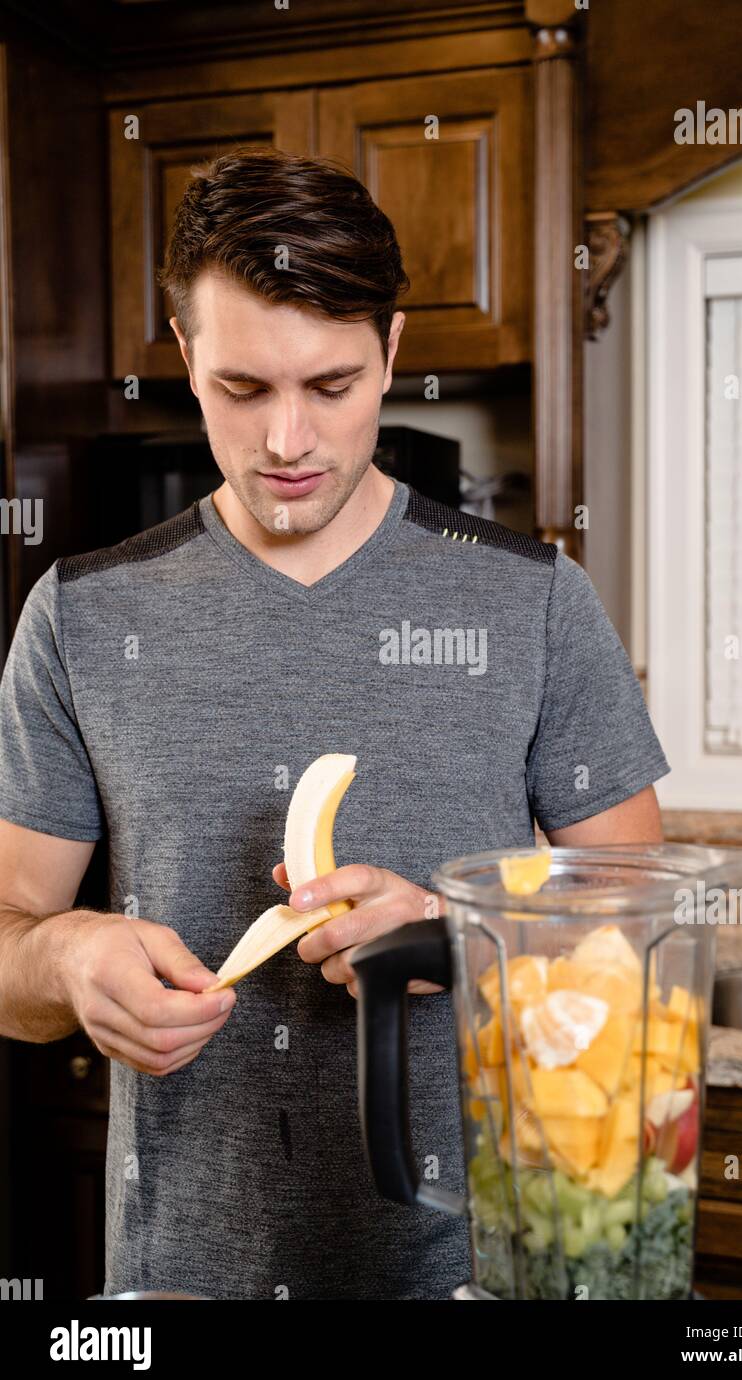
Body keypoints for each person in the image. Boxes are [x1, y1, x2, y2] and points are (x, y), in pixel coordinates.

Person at [0, 148, 670, 1300]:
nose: (288, 443)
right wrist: (60, 957)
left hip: (479, 1271)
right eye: (241, 389)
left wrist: (454, 932)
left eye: (333, 384)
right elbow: (8, 941)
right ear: (182, 357)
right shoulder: (78, 614)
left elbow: (643, 942)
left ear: (393, 353)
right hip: (180, 1280)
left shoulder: (532, 599)